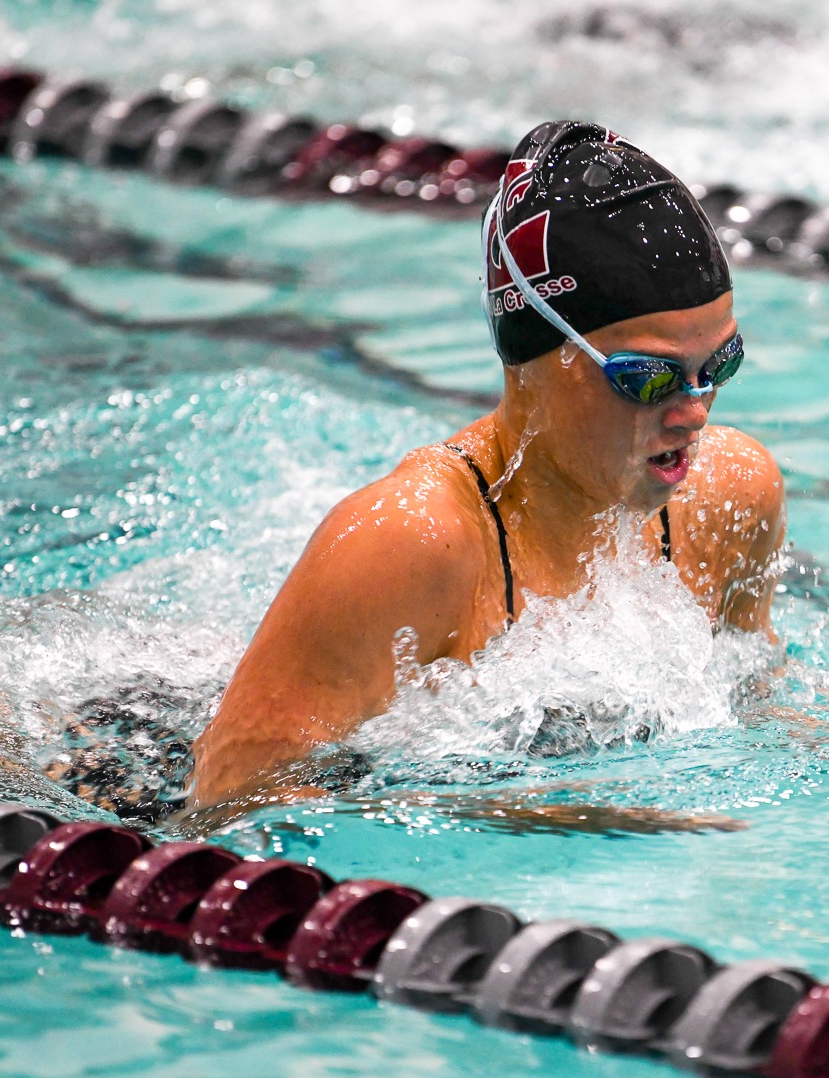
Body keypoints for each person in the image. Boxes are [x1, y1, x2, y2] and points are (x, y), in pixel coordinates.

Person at [189, 120, 786, 814]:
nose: (694, 411)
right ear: (535, 360)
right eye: (648, 378)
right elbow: (228, 803)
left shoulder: (734, 493)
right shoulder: (406, 542)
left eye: (719, 366)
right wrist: (558, 815)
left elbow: (751, 698)